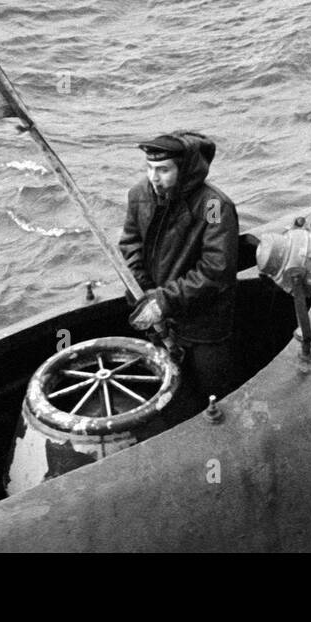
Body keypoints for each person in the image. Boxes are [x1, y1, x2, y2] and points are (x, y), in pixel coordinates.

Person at [119, 131, 239, 424]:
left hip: (204, 326)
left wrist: (164, 300)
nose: (154, 178)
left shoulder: (214, 206)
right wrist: (146, 292)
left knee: (217, 400)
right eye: (149, 168)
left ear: (183, 169)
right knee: (171, 397)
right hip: (159, 321)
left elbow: (216, 270)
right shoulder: (139, 196)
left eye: (163, 170)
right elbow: (130, 246)